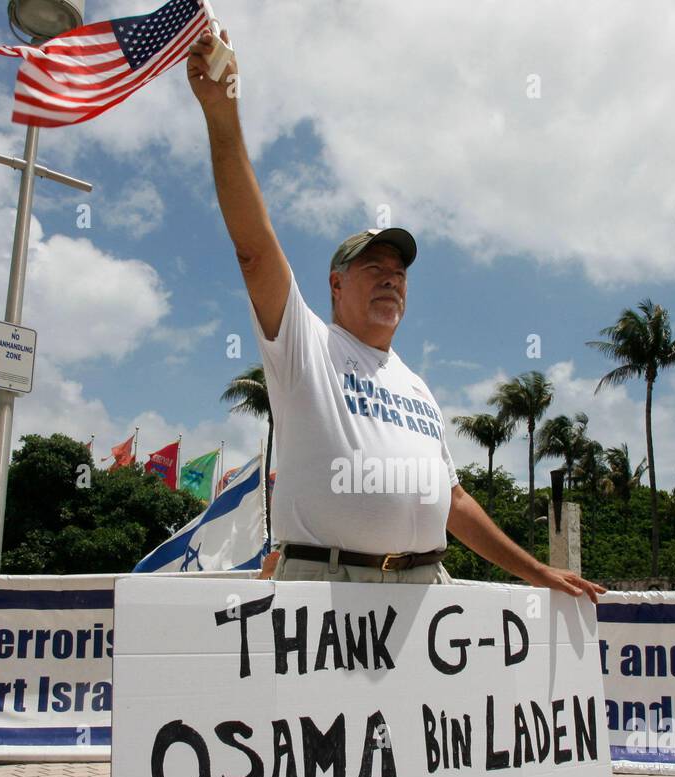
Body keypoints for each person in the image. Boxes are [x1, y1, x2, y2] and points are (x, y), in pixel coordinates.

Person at [186, 29, 602, 601]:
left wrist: (538, 572)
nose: (391, 277)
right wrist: (222, 113)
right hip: (327, 588)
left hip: (426, 589)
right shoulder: (306, 346)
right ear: (335, 284)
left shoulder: (418, 388)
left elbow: (453, 502)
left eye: (400, 271)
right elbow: (254, 250)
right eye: (373, 266)